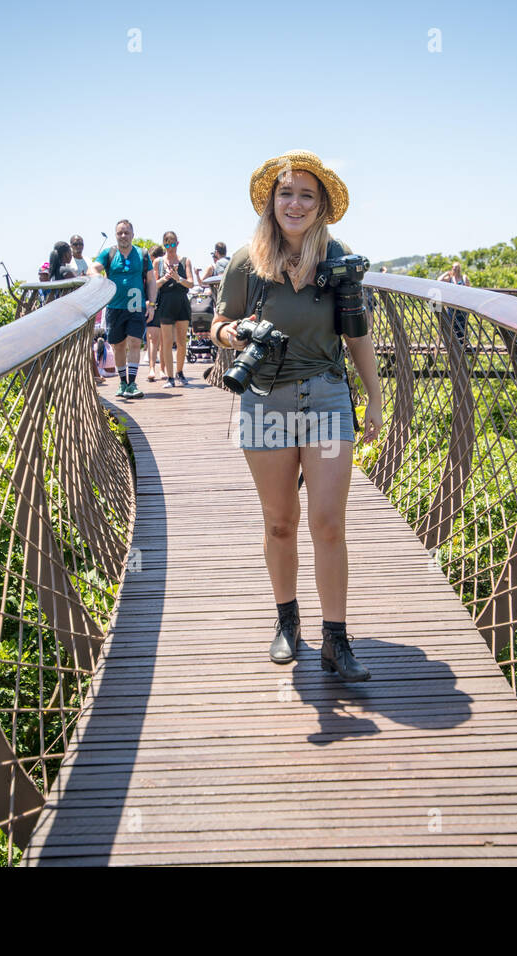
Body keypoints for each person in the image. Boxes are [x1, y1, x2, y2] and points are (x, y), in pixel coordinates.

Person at [211, 149, 382, 681]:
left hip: (327, 397)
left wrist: (373, 397)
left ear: (322, 205)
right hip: (264, 400)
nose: (295, 203)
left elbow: (357, 333)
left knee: (328, 523)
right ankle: (287, 622)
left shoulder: (338, 257)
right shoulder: (247, 260)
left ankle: (337, 639)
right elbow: (218, 323)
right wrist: (231, 333)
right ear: (271, 201)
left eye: (307, 194)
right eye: (287, 193)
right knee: (280, 523)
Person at [90, 219, 156, 399]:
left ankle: (133, 383)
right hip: (114, 306)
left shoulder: (142, 254)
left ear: (133, 235)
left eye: (127, 232)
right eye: (120, 233)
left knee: (135, 342)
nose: (123, 236)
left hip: (136, 306)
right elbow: (93, 268)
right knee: (118, 346)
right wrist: (99, 278)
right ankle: (123, 383)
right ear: (116, 235)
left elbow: (151, 280)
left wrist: (152, 304)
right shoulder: (109, 253)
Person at [155, 231, 195, 387]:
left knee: (181, 342)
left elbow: (191, 284)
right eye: (167, 244)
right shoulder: (158, 262)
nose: (170, 247)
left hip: (181, 303)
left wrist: (179, 278)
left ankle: (180, 372)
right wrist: (165, 278)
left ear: (177, 244)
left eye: (172, 244)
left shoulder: (185, 261)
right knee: (166, 342)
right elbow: (154, 285)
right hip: (165, 303)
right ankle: (169, 377)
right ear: (163, 244)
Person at [436, 261, 471, 341]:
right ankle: (453, 342)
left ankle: (463, 343)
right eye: (454, 268)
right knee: (451, 324)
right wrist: (446, 273)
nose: (455, 270)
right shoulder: (450, 278)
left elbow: (468, 286)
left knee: (462, 324)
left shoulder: (463, 277)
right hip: (451, 305)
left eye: (457, 268)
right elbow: (439, 280)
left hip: (462, 305)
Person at [145, 245, 165, 381]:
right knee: (152, 338)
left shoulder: (164, 264)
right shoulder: (148, 269)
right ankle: (152, 368)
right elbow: (151, 285)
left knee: (163, 339)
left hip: (164, 303)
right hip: (153, 303)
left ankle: (162, 369)